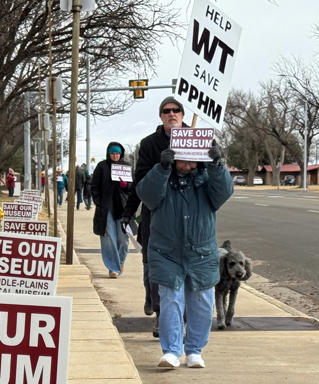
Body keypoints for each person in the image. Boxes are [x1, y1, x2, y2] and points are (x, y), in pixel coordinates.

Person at [136, 140, 233, 369]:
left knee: (201, 302)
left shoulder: (207, 180)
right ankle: (171, 351)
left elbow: (224, 192)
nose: (187, 163)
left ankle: (194, 350)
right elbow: (146, 195)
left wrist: (217, 164)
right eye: (182, 157)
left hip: (201, 253)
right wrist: (161, 169)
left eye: (192, 158)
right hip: (166, 252)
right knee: (170, 300)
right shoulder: (162, 176)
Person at [123, 95, 188, 336]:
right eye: (166, 110)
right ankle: (159, 312)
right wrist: (129, 212)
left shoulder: (198, 139)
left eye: (177, 110)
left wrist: (215, 162)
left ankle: (179, 318)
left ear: (182, 114)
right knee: (153, 267)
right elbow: (138, 183)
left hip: (186, 218)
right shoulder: (149, 144)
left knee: (185, 270)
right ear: (160, 116)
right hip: (155, 216)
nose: (172, 114)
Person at [91, 142, 133, 278]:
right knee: (109, 238)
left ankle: (119, 262)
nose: (115, 156)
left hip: (122, 208)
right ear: (108, 154)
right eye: (112, 153)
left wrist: (125, 185)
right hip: (106, 208)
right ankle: (113, 268)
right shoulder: (102, 166)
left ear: (121, 154)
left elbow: (132, 188)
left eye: (117, 153)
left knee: (123, 238)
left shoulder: (126, 166)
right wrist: (98, 202)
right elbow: (94, 186)